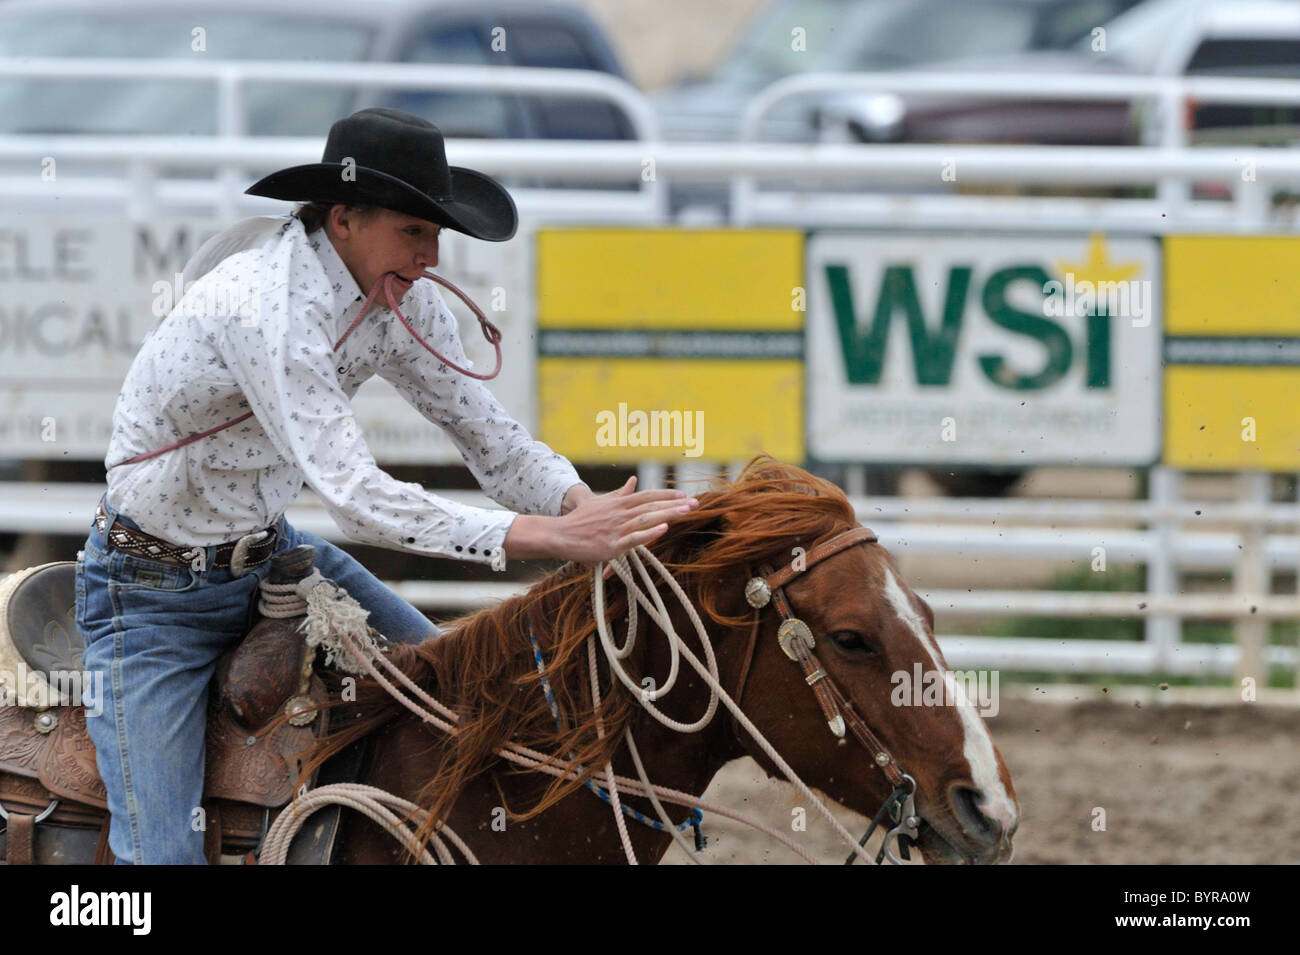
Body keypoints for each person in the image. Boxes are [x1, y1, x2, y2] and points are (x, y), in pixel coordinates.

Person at [75, 107, 697, 864]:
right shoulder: (266, 305)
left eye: (435, 235)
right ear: (344, 219)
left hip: (271, 558)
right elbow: (354, 494)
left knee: (462, 702)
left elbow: (489, 438)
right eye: (415, 231)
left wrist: (578, 502)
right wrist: (544, 537)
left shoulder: (401, 298)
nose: (431, 255)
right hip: (148, 593)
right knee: (156, 859)